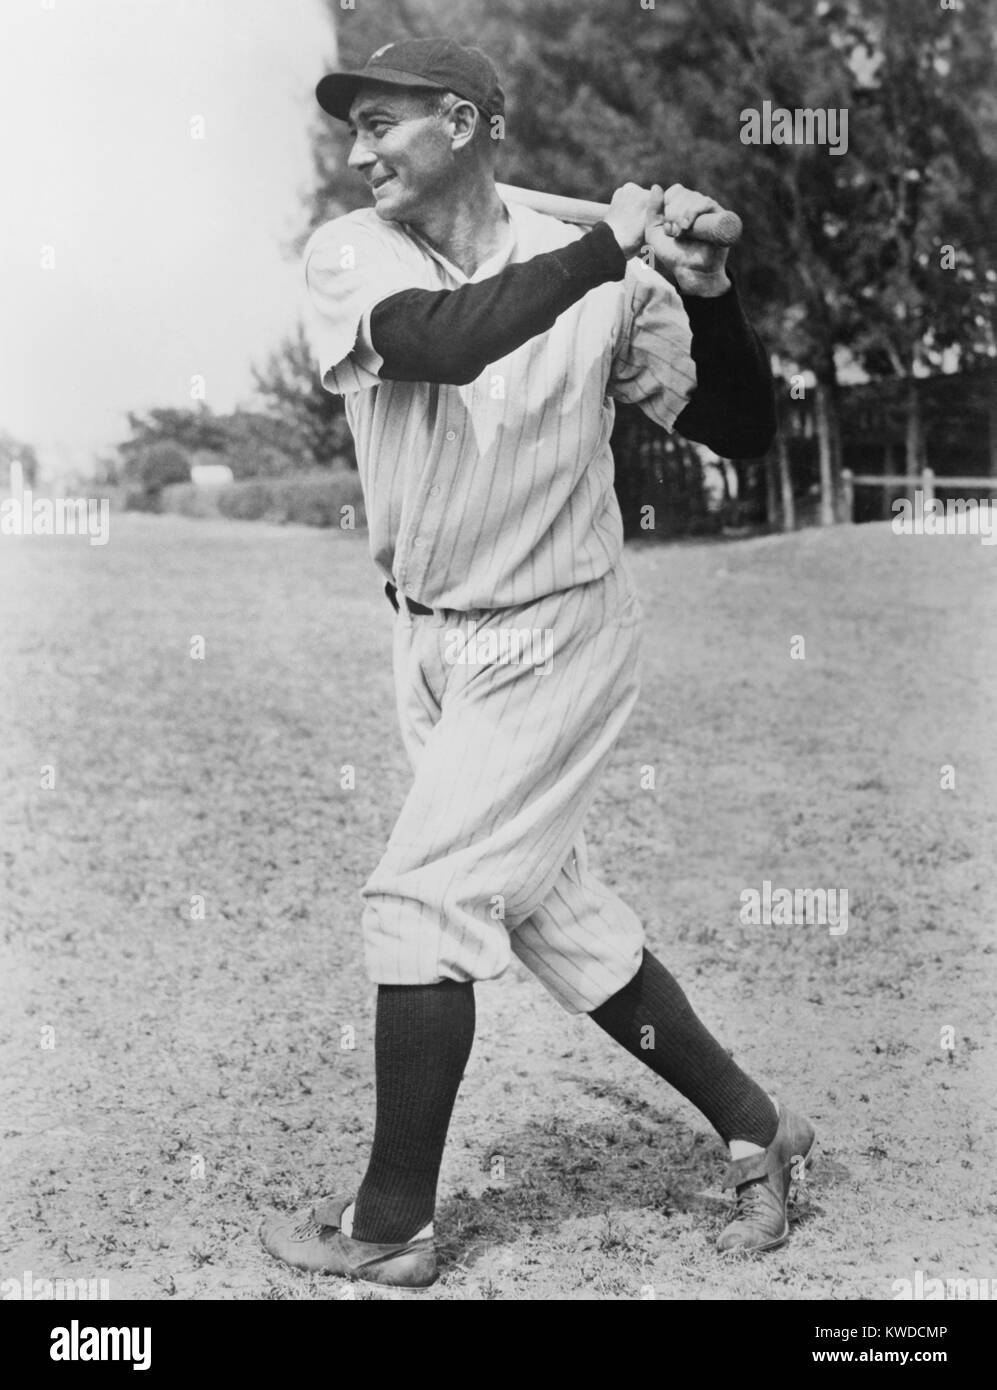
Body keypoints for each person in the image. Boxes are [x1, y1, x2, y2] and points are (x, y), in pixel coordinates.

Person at [262, 37, 814, 1289]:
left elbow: (739, 426)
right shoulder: (354, 252)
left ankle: (391, 1221)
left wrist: (711, 294)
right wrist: (606, 249)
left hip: (558, 623)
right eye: (355, 131)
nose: (359, 153)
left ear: (462, 122)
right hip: (431, 633)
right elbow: (446, 340)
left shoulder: (614, 271)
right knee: (551, 916)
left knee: (423, 902)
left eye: (384, 125)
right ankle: (758, 1124)